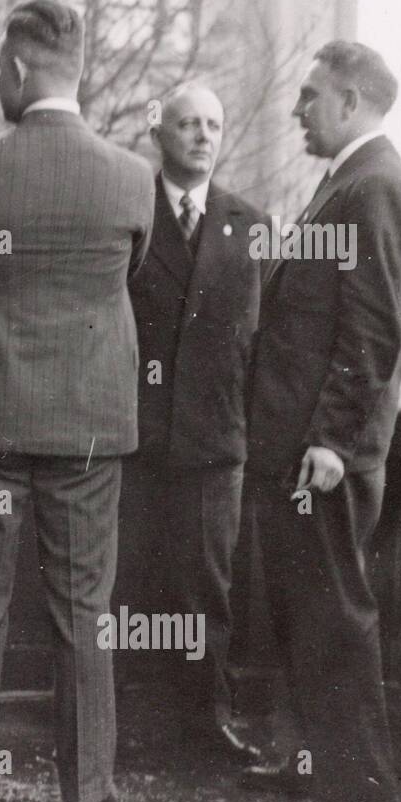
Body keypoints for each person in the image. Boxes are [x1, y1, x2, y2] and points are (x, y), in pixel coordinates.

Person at [0, 0, 153, 802]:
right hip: (90, 422)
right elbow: (134, 266)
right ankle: (89, 794)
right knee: (85, 609)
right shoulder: (134, 177)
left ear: (17, 71)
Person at [243, 41, 401, 802]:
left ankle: (357, 785)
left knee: (333, 615)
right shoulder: (352, 180)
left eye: (310, 96)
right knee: (304, 609)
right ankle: (314, 760)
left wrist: (332, 442)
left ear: (350, 101)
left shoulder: (374, 186)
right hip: (304, 448)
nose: (296, 110)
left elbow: (371, 332)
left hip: (325, 457)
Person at [115, 84, 265, 760]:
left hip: (213, 440)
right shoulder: (128, 214)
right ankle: (119, 720)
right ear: (159, 135)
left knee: (206, 584)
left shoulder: (245, 221)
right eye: (186, 124)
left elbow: (260, 340)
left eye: (212, 123)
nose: (202, 136)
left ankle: (206, 721)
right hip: (136, 435)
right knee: (129, 581)